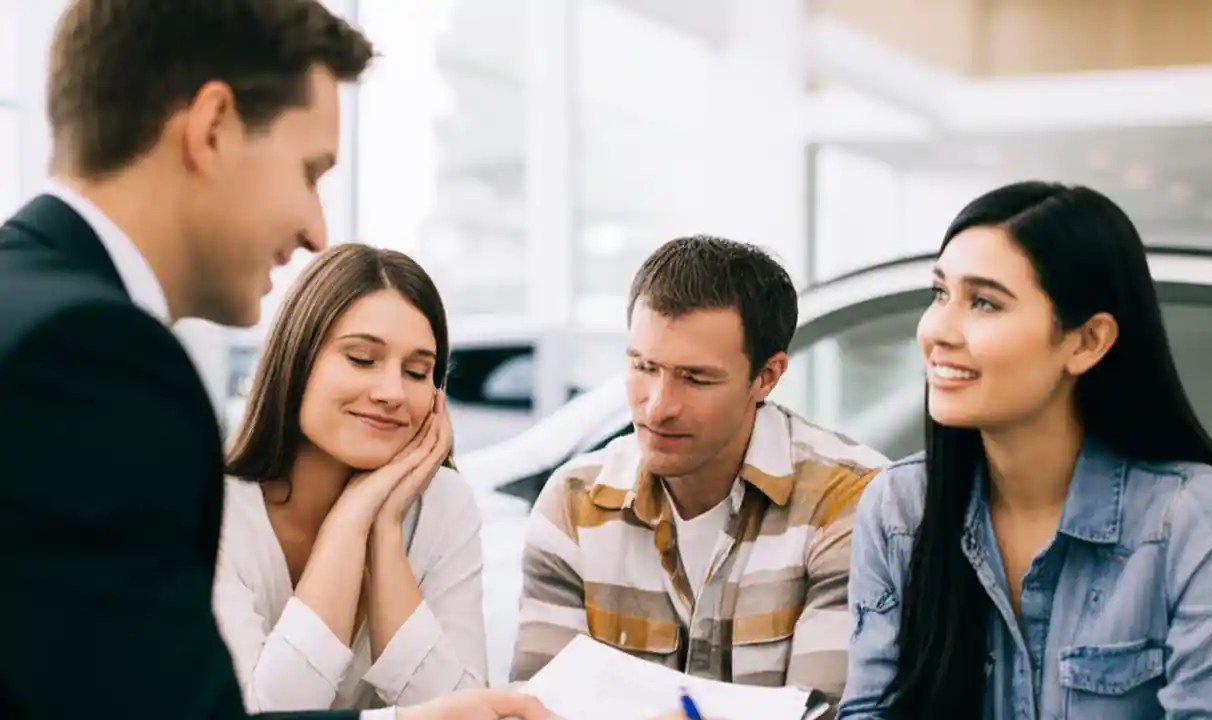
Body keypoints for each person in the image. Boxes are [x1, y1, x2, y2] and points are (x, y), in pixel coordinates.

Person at [0, 1, 548, 718]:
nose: (317, 229)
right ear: (213, 127)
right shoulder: (93, 357)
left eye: (418, 369)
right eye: (309, 171)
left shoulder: (27, 299)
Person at [836, 181, 1212, 719]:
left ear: (1087, 341)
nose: (937, 330)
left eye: (984, 302)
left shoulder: (1192, 519)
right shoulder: (900, 508)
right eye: (939, 294)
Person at [510, 235, 889, 711]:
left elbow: (828, 714)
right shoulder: (575, 503)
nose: (659, 406)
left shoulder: (851, 502)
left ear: (768, 376)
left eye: (695, 378)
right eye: (644, 366)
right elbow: (534, 710)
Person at [215, 244, 488, 711]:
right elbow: (262, 714)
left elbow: (465, 711)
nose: (392, 392)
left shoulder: (445, 506)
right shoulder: (211, 512)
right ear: (296, 360)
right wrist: (348, 524)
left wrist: (382, 532)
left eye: (418, 371)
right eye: (362, 359)